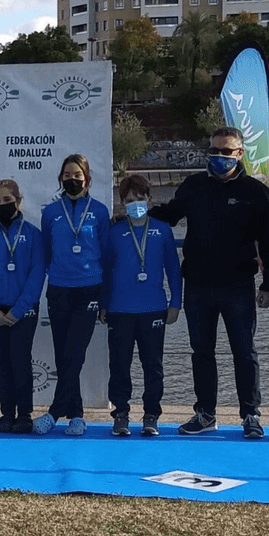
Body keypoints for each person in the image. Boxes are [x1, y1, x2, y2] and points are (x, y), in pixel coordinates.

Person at [150, 126, 269, 438]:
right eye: (214, 151)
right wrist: (133, 214)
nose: (219, 157)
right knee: (201, 352)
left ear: (240, 154)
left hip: (238, 286)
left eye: (226, 152)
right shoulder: (194, 185)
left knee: (245, 351)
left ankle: (250, 415)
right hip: (197, 285)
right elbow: (169, 214)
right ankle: (205, 413)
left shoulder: (255, 192)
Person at [32, 154, 110, 436]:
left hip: (89, 287)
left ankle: (54, 412)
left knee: (75, 352)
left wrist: (105, 299)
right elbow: (47, 251)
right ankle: (76, 415)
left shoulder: (100, 211)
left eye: (77, 175)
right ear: (60, 179)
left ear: (87, 178)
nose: (72, 179)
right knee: (63, 354)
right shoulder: (51, 212)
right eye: (66, 175)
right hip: (60, 288)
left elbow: (105, 254)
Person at [100, 175, 181, 437]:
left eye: (140, 199)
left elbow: (173, 270)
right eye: (130, 200)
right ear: (122, 203)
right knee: (119, 365)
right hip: (120, 309)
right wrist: (103, 304)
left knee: (153, 365)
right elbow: (106, 271)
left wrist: (175, 304)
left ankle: (151, 414)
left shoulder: (162, 230)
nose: (136, 204)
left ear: (150, 199)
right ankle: (121, 414)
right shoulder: (114, 232)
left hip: (154, 308)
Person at [0, 179, 45, 434]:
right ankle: (6, 413)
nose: (2, 205)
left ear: (18, 200)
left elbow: (37, 276)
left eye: (6, 200)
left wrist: (19, 309)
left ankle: (24, 414)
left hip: (23, 311)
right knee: (2, 364)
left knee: (21, 362)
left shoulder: (34, 235)